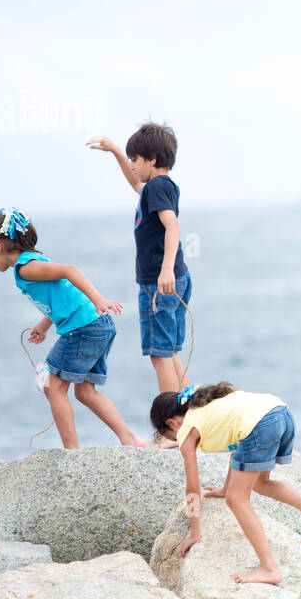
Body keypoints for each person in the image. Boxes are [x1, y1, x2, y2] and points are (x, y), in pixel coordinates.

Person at [0, 207, 144, 449]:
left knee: (52, 386)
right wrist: (44, 325)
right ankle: (130, 439)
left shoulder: (26, 268)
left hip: (83, 328)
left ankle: (72, 451)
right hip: (98, 326)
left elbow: (70, 271)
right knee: (85, 392)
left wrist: (99, 300)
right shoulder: (33, 262)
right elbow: (60, 296)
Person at [150, 382, 301, 585]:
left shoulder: (186, 430)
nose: (177, 439)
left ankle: (270, 569)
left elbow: (192, 486)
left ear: (172, 423)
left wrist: (195, 531)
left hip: (261, 424)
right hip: (281, 413)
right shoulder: (208, 405)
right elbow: (239, 451)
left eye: (170, 436)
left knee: (237, 500)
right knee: (260, 482)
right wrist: (226, 488)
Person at [87, 123, 192, 416]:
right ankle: (193, 417)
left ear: (153, 160)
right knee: (170, 351)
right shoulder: (162, 186)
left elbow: (173, 227)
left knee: (159, 354)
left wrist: (165, 270)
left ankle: (174, 422)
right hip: (176, 279)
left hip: (160, 283)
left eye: (136, 160)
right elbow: (135, 183)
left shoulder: (157, 187)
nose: (132, 166)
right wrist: (117, 152)